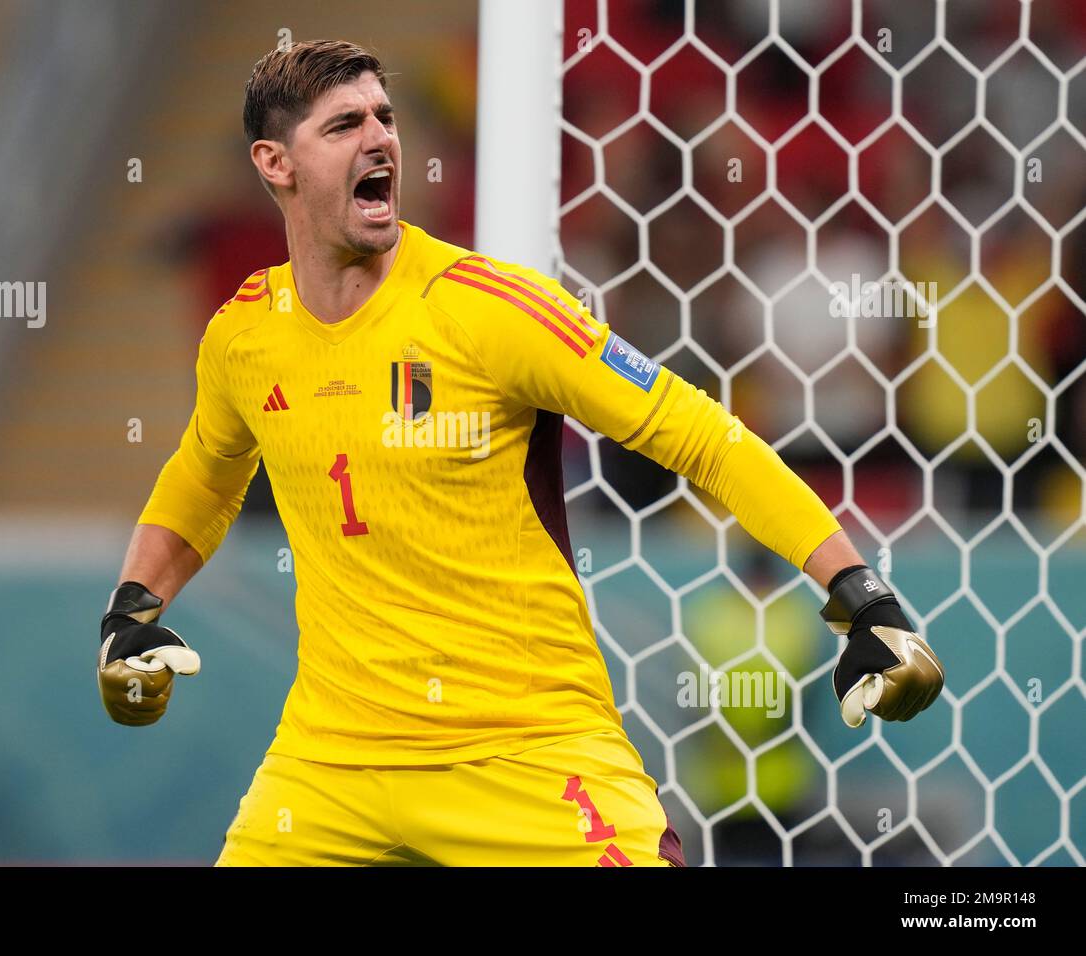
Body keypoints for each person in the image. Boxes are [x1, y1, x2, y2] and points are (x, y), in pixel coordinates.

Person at [94, 40, 945, 867]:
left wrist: (859, 593)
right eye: (344, 124)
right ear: (275, 163)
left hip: (527, 749)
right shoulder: (244, 336)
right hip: (331, 762)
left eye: (384, 117)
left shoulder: (488, 311)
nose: (380, 136)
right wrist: (133, 609)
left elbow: (705, 438)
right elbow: (205, 472)